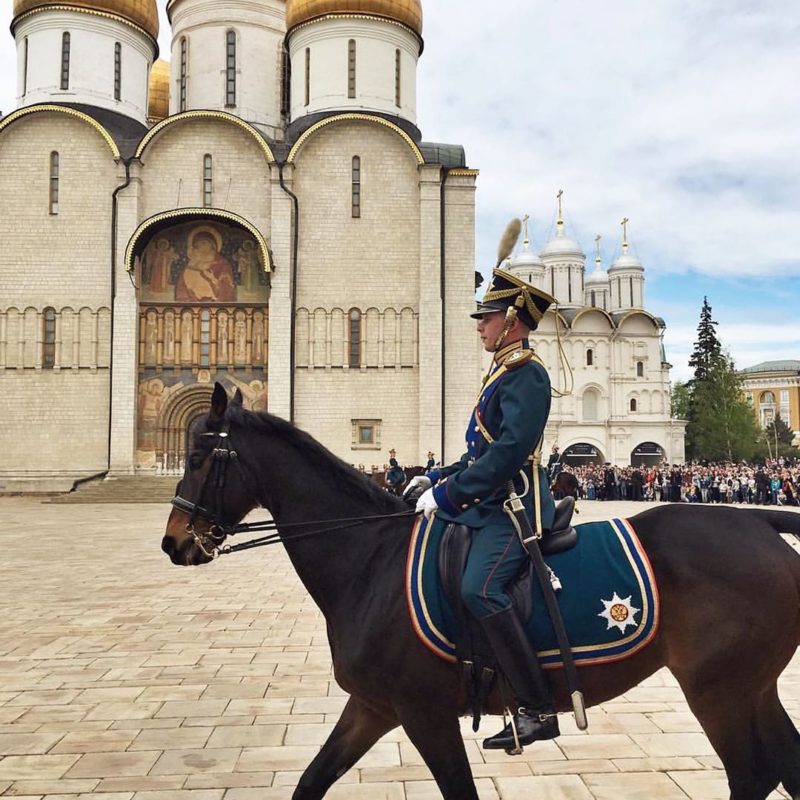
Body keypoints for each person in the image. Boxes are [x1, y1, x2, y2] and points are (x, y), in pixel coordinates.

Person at [404, 266, 559, 750]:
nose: (479, 325)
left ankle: (537, 707)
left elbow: (509, 452)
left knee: (481, 588)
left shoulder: (527, 374)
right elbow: (479, 453)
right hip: (491, 502)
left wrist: (448, 496)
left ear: (512, 320)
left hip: (516, 508)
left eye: (487, 317)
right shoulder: (503, 371)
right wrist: (436, 477)